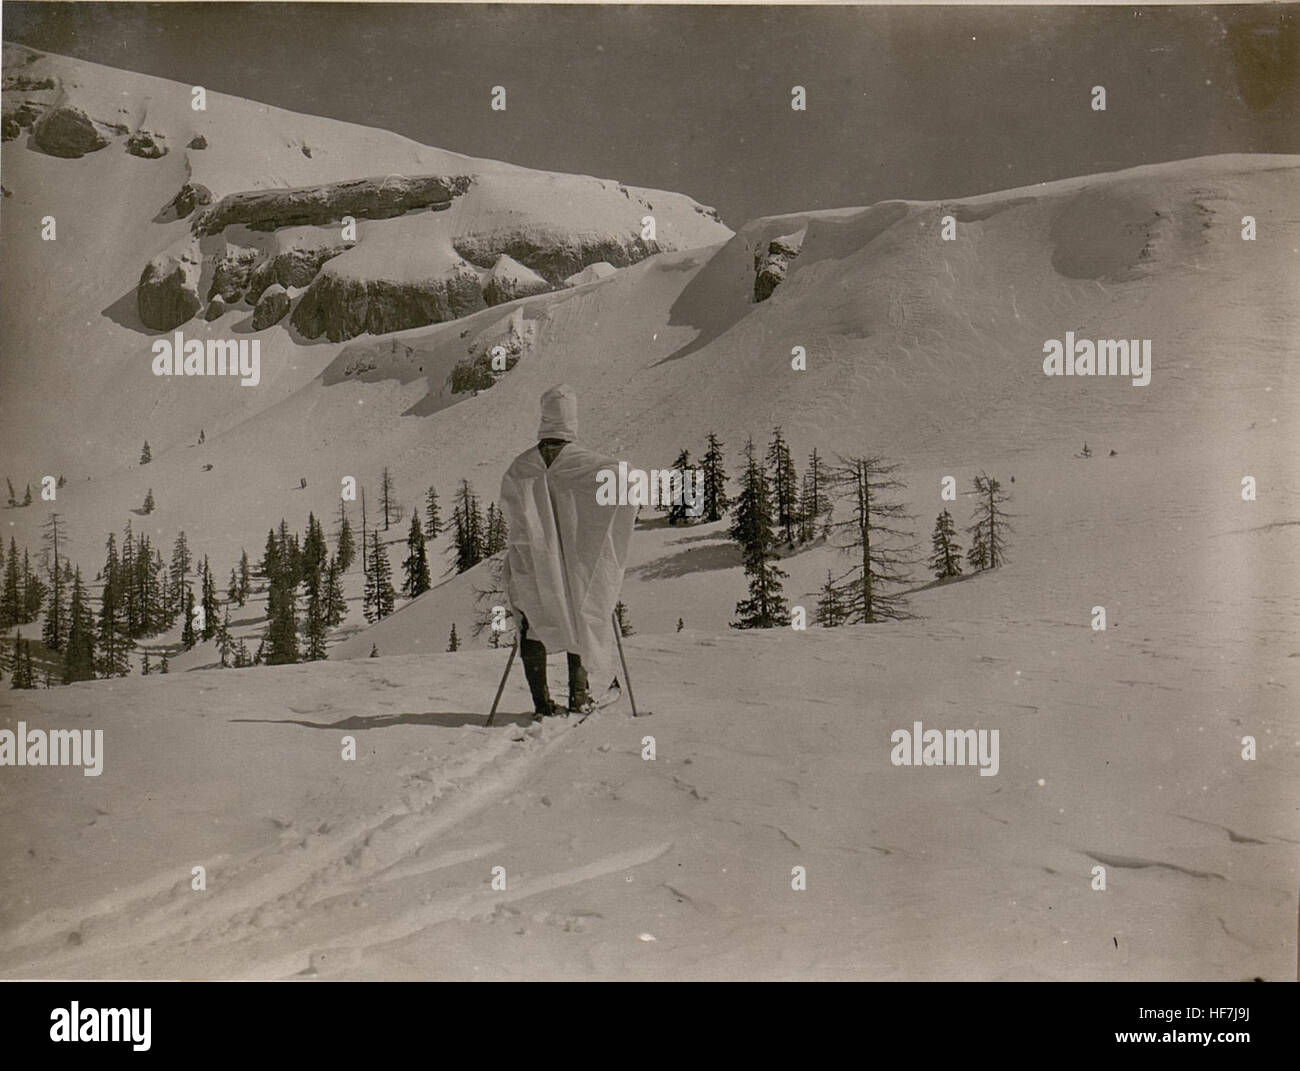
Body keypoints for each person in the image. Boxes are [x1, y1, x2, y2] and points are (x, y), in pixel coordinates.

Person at [499, 385, 637, 717]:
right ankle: (579, 695)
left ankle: (542, 703)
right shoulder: (586, 464)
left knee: (532, 622)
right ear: (571, 419)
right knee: (579, 611)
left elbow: (512, 515)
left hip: (533, 563)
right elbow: (628, 479)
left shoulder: (520, 468)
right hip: (573, 561)